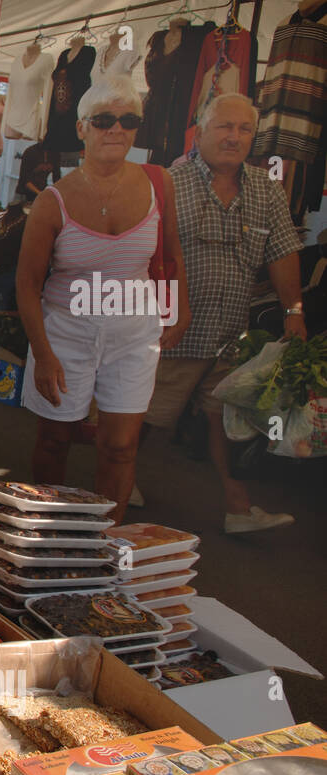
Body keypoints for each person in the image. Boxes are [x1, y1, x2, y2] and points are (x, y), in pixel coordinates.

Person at [16, 74, 191, 525]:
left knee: (119, 445)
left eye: (128, 120)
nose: (116, 130)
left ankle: (104, 541)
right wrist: (42, 351)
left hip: (134, 331)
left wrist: (179, 305)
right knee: (56, 438)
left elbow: (171, 252)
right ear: (81, 128)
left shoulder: (159, 183)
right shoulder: (53, 201)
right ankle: (47, 530)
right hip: (65, 332)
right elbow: (27, 285)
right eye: (104, 120)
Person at [141, 93, 304, 533]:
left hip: (232, 333)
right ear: (201, 130)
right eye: (225, 127)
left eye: (244, 129)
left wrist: (294, 310)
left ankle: (237, 506)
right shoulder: (170, 182)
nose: (234, 137)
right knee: (144, 419)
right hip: (175, 333)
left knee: (224, 416)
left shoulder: (267, 189)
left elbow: (284, 252)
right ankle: (114, 483)